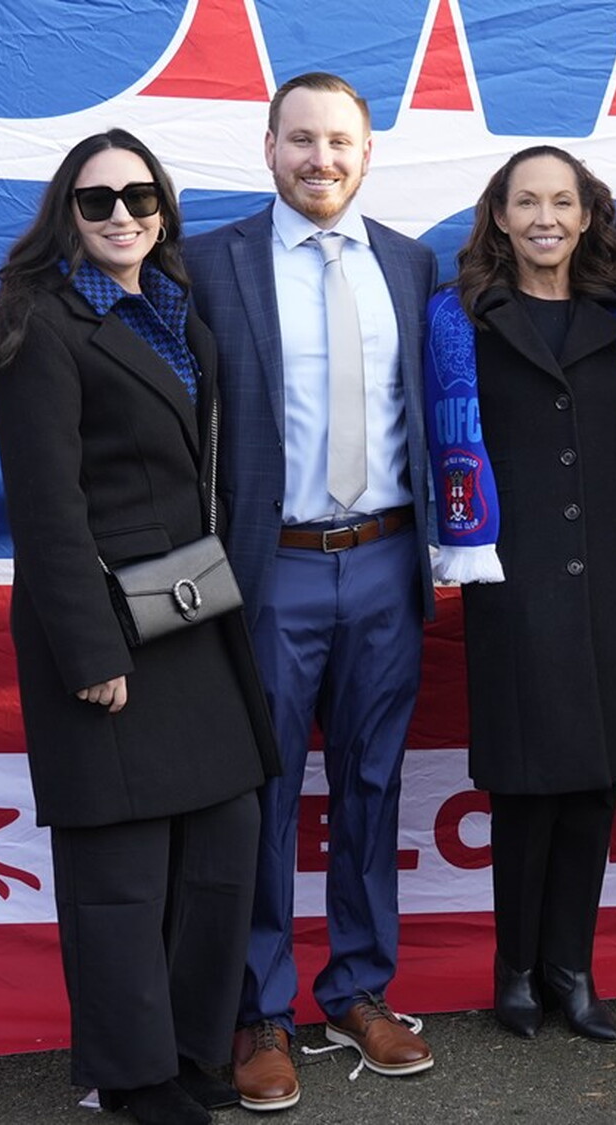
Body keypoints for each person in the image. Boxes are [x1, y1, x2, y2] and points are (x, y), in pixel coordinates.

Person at [0, 129, 282, 1125]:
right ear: (67, 213)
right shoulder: (40, 324)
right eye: (97, 200)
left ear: (163, 209)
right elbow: (47, 509)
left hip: (191, 608)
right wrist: (90, 650)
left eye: (139, 197)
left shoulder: (176, 309)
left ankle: (189, 1051)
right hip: (106, 624)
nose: (120, 216)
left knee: (223, 841)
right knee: (121, 867)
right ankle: (133, 1077)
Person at [185, 72, 439, 1111]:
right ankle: (261, 1009)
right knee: (265, 790)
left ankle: (359, 989)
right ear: (268, 148)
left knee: (373, 782)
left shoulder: (411, 263)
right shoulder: (208, 263)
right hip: (270, 566)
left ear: (367, 152)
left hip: (386, 557)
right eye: (300, 139)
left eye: (339, 141)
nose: (319, 158)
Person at [423, 146, 616, 1043]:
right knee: (526, 789)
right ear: (498, 215)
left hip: (611, 579)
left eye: (562, 202)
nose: (545, 219)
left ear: (586, 214)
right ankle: (517, 968)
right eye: (526, 202)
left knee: (597, 784)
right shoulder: (460, 317)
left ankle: (573, 966)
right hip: (515, 581)